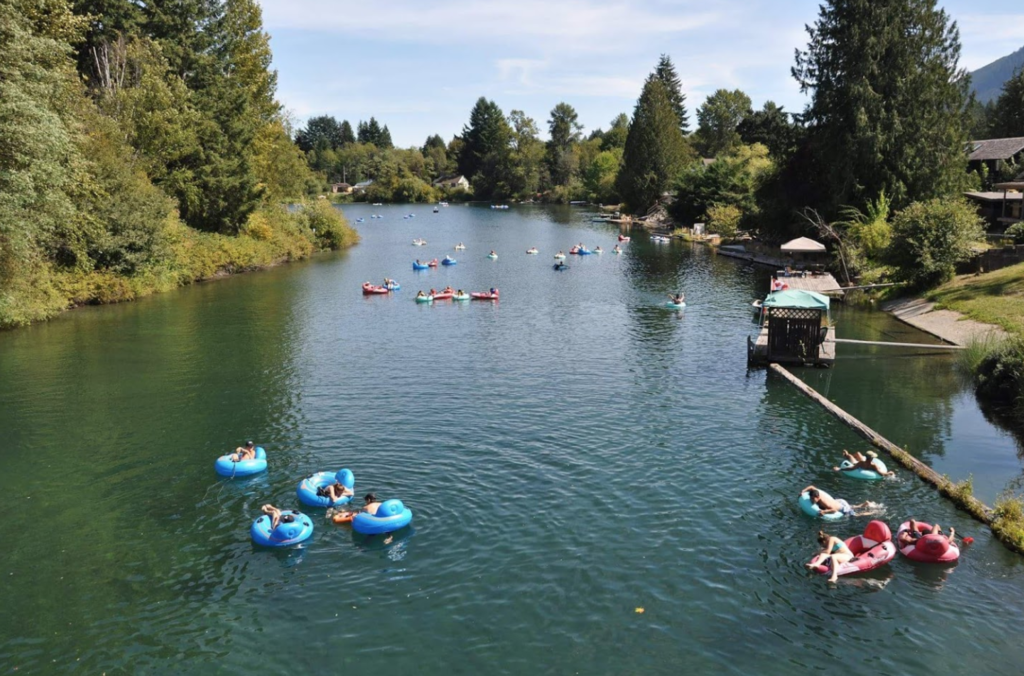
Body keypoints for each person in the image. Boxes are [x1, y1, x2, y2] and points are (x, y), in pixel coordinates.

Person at [801, 485, 872, 517]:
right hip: (839, 501)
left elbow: (834, 510)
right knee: (851, 507)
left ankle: (871, 512)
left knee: (856, 515)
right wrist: (803, 491)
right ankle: (864, 504)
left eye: (813, 499)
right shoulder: (816, 492)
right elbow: (811, 487)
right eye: (811, 498)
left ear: (818, 497)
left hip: (842, 508)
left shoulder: (824, 503)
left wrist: (824, 512)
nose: (811, 500)